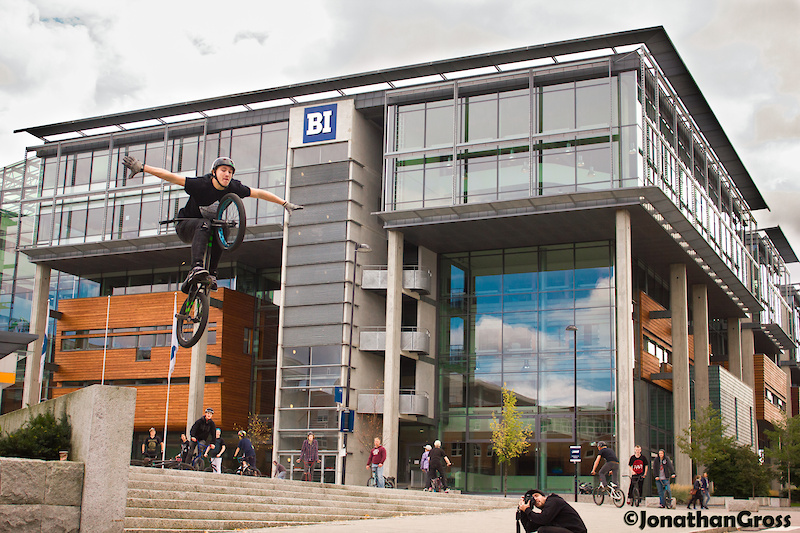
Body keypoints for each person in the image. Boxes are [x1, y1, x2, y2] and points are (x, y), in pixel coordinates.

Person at [120, 155, 302, 293]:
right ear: (214, 172)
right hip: (186, 225)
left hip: (208, 227)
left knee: (220, 227)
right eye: (223, 170)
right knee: (205, 224)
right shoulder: (201, 185)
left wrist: (284, 203)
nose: (227, 174)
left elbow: (259, 193)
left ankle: (212, 274)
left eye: (230, 172)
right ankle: (195, 268)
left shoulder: (233, 187)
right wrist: (142, 167)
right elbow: (171, 177)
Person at [517, 489, 588, 533]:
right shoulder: (547, 512)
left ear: (544, 496)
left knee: (543, 530)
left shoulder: (553, 501)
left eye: (536, 496)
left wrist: (527, 510)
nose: (535, 499)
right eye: (533, 499)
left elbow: (543, 519)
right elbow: (529, 528)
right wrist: (523, 511)